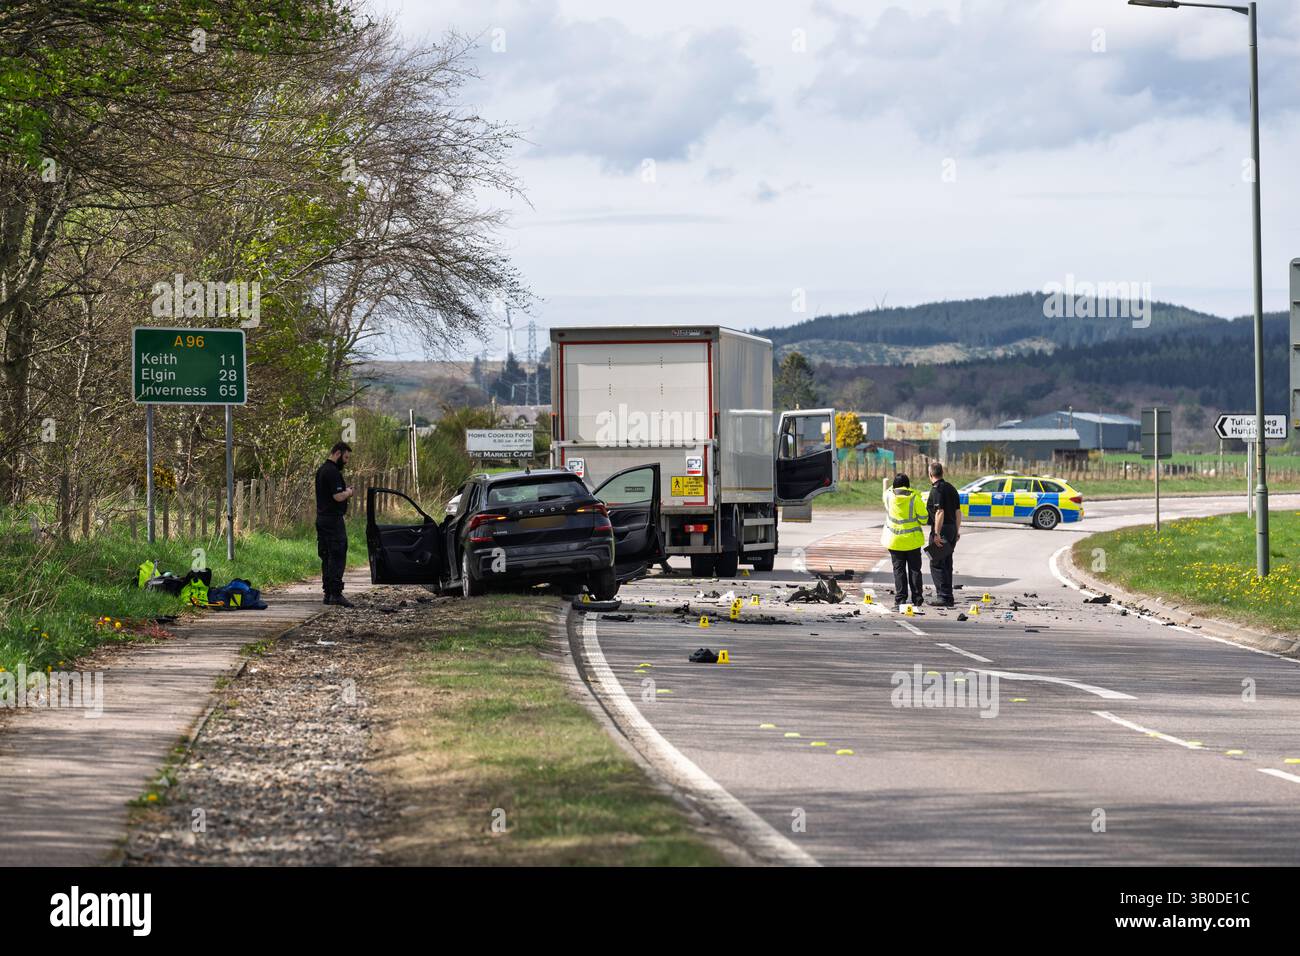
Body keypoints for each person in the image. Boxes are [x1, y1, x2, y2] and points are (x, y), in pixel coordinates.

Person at [315, 441, 355, 607]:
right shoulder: (332, 472)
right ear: (337, 453)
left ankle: (328, 593)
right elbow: (337, 497)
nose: (346, 461)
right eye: (345, 457)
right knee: (337, 555)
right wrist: (349, 492)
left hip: (322, 519)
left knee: (327, 556)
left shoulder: (321, 470)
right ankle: (336, 594)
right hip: (332, 521)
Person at [880, 473, 928, 610]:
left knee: (899, 570)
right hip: (912, 541)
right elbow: (924, 519)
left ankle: (900, 599)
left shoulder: (888, 497)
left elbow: (888, 489)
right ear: (908, 485)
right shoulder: (915, 498)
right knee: (914, 570)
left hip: (894, 541)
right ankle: (917, 598)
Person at [925, 461, 961, 608]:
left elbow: (940, 512)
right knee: (947, 563)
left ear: (930, 474)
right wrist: (957, 531)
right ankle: (948, 596)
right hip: (952, 528)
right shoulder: (951, 488)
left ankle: (943, 596)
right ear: (942, 473)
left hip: (942, 529)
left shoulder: (936, 490)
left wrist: (937, 533)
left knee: (936, 563)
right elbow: (958, 512)